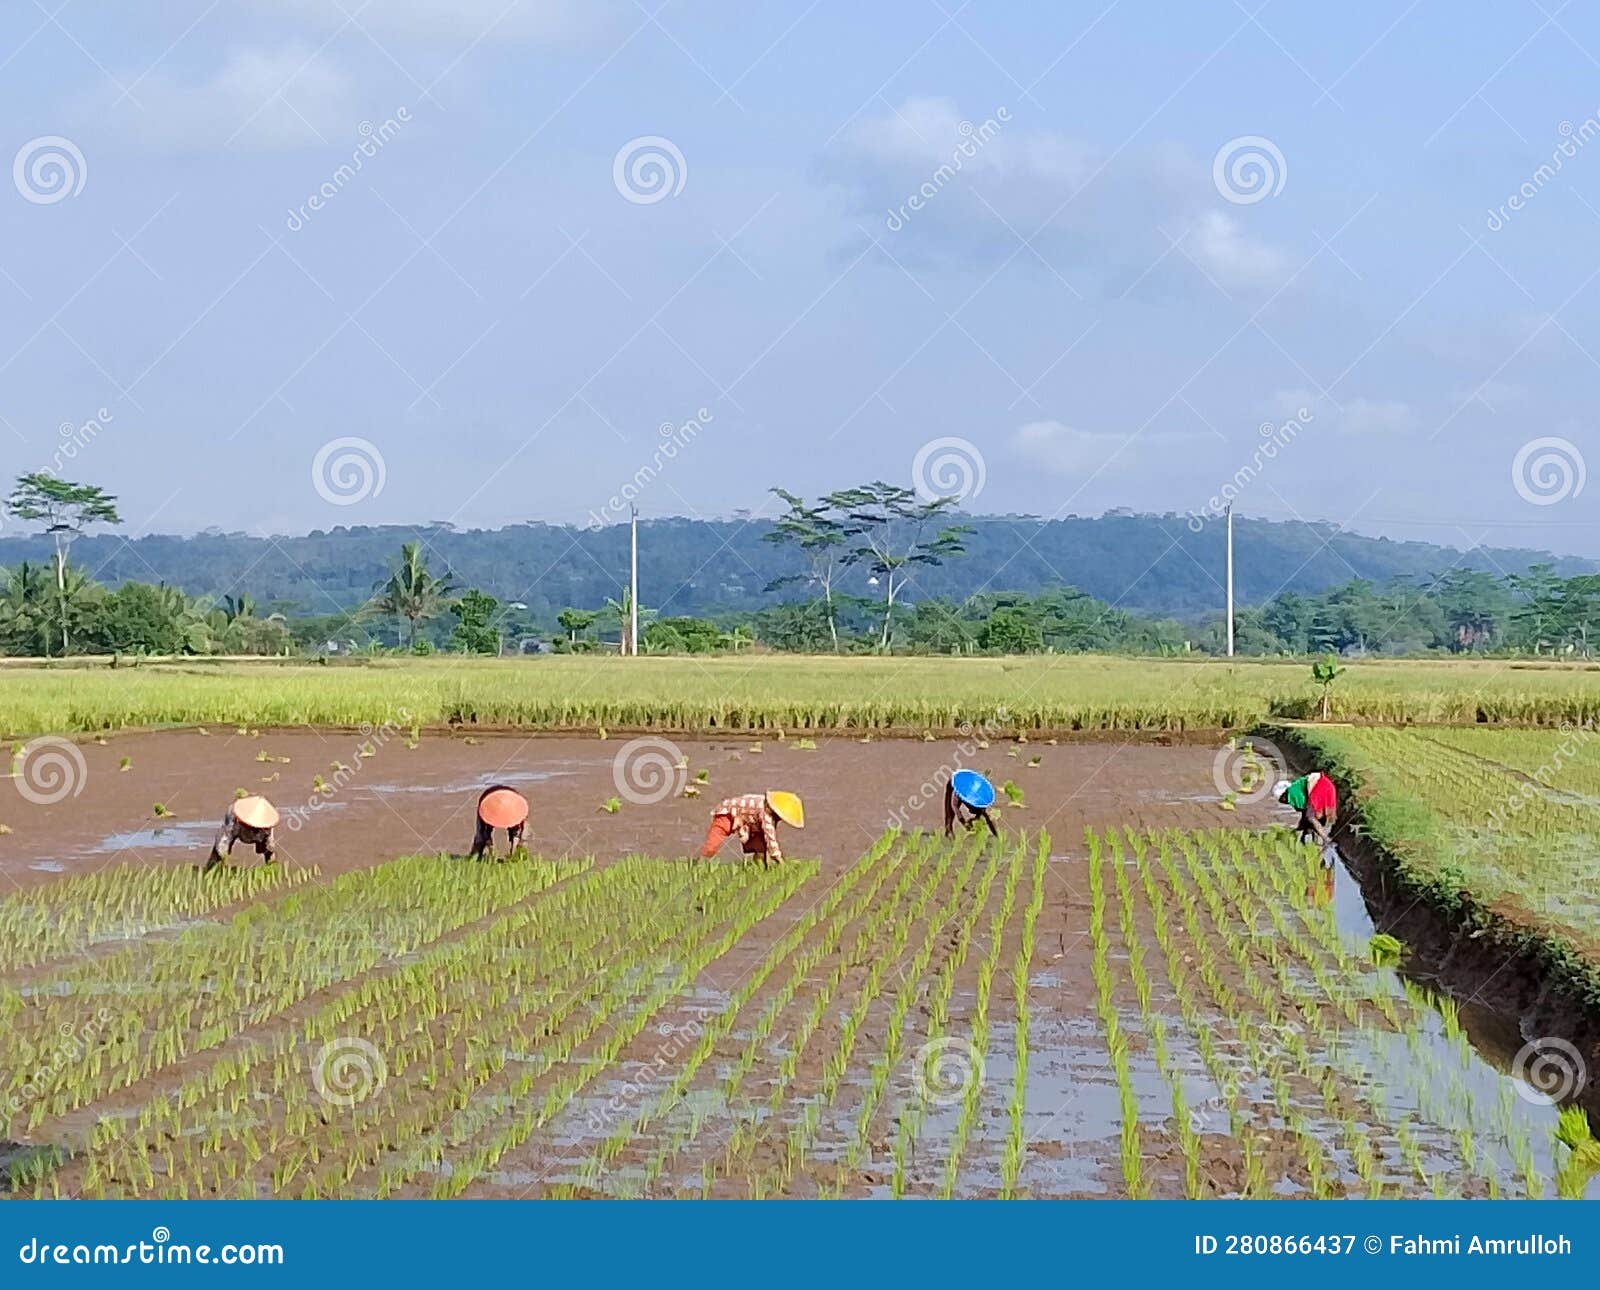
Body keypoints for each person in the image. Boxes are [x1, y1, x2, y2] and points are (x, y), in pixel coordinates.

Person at [699, 791, 803, 866]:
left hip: (749, 821)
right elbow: (771, 839)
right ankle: (700, 865)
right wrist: (781, 862)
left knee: (761, 847)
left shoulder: (767, 812)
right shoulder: (766, 814)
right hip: (728, 813)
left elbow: (767, 838)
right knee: (713, 843)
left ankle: (759, 868)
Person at [204, 795, 279, 874]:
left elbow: (270, 845)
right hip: (238, 829)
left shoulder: (267, 821)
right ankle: (211, 870)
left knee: (268, 850)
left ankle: (271, 871)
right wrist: (222, 856)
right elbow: (224, 840)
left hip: (259, 834)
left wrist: (270, 858)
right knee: (219, 851)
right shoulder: (234, 817)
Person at [1273, 772, 1337, 845]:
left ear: (1283, 795)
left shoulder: (1292, 793)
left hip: (1319, 787)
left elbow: (1306, 811)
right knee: (1310, 820)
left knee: (1310, 817)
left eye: (1282, 800)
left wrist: (1299, 828)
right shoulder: (1296, 788)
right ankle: (1313, 841)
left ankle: (1327, 840)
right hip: (1326, 787)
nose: (1284, 802)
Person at [470, 785, 529, 860]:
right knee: (481, 837)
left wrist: (514, 852)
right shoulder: (485, 807)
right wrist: (492, 852)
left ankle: (517, 856)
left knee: (522, 838)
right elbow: (483, 832)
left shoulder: (518, 808)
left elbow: (517, 833)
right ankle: (477, 856)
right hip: (489, 804)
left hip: (511, 802)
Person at [944, 768, 999, 838]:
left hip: (969, 783)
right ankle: (948, 829)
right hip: (955, 781)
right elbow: (954, 806)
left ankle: (948, 830)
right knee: (950, 810)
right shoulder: (961, 794)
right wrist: (963, 821)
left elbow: (988, 819)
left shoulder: (981, 804)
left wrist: (997, 835)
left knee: (984, 815)